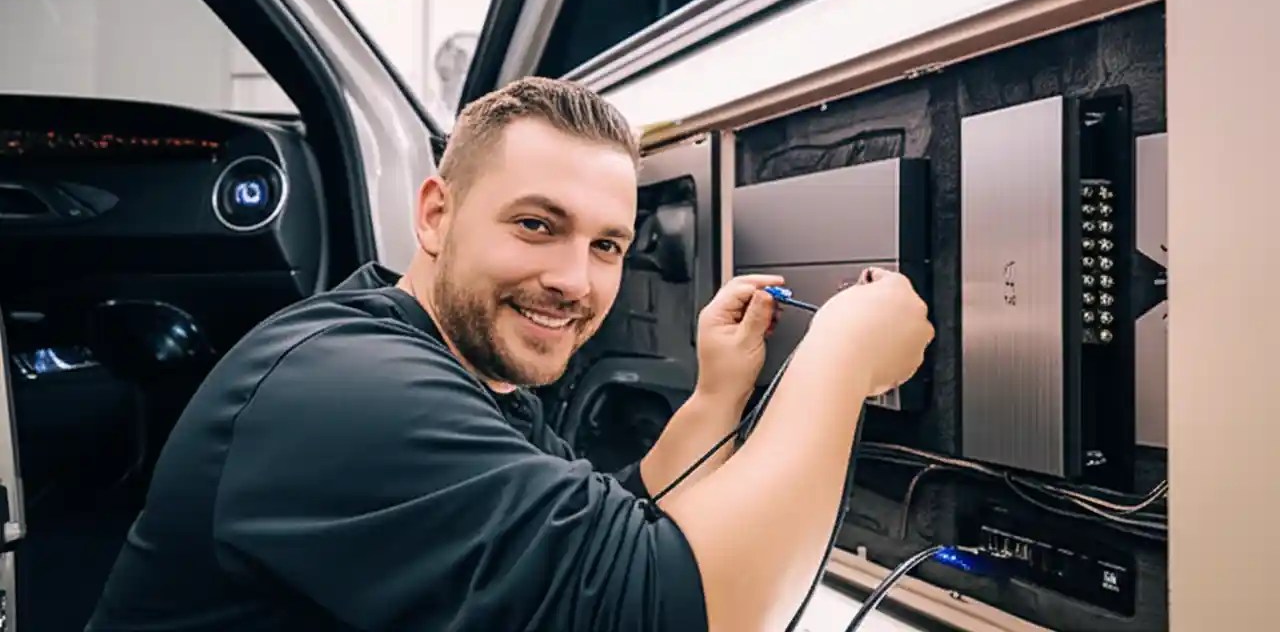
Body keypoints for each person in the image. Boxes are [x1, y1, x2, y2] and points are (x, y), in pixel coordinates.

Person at [86, 77, 933, 632]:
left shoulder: (459, 373)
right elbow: (677, 611)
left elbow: (615, 522)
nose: (574, 279)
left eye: (607, 246)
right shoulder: (345, 386)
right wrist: (845, 354)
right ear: (435, 215)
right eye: (537, 225)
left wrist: (716, 397)